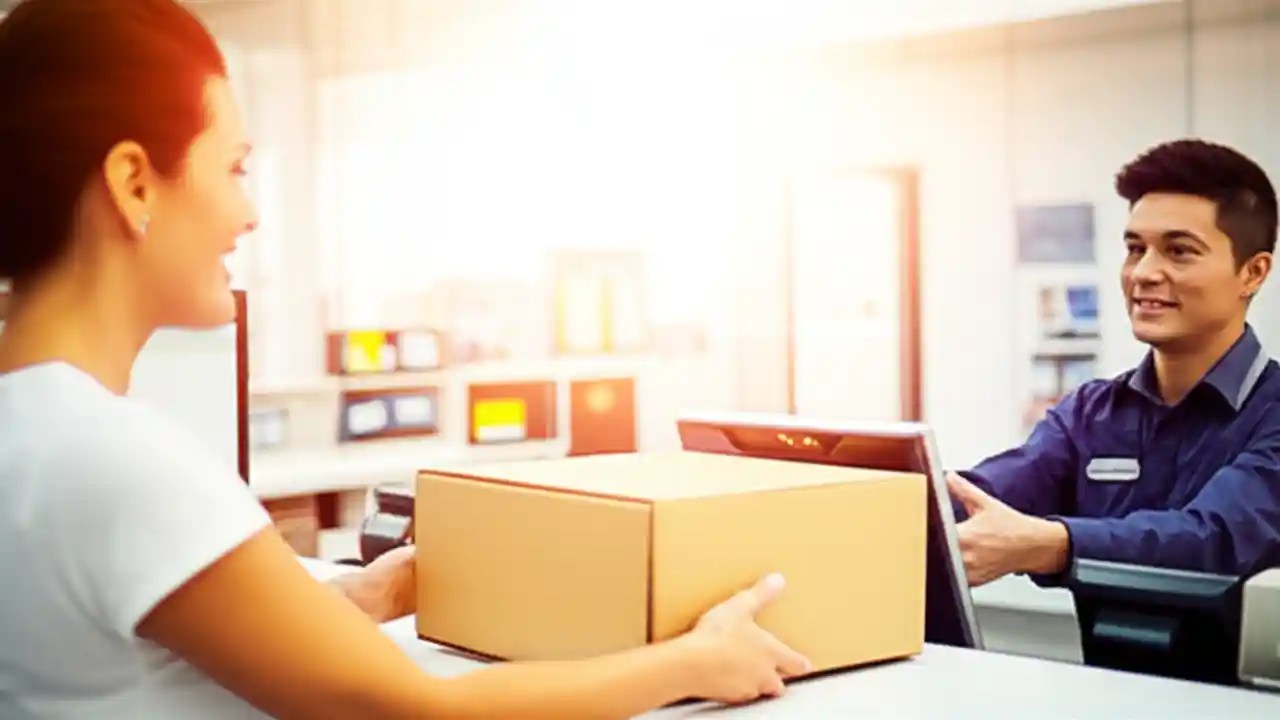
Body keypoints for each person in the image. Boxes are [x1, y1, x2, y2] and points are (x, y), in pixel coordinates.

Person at [0, 1, 808, 718]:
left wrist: (374, 592)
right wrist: (693, 663)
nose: (248, 215)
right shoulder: (115, 461)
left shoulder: (32, 429)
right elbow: (413, 712)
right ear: (135, 183)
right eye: (235, 168)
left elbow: (176, 659)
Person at [947, 139, 1280, 587]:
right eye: (1135, 248)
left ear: (1253, 273)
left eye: (1179, 251)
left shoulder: (1271, 413)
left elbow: (1213, 539)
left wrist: (1054, 544)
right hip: (1100, 661)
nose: (1143, 273)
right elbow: (986, 494)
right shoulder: (1090, 414)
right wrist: (900, 500)